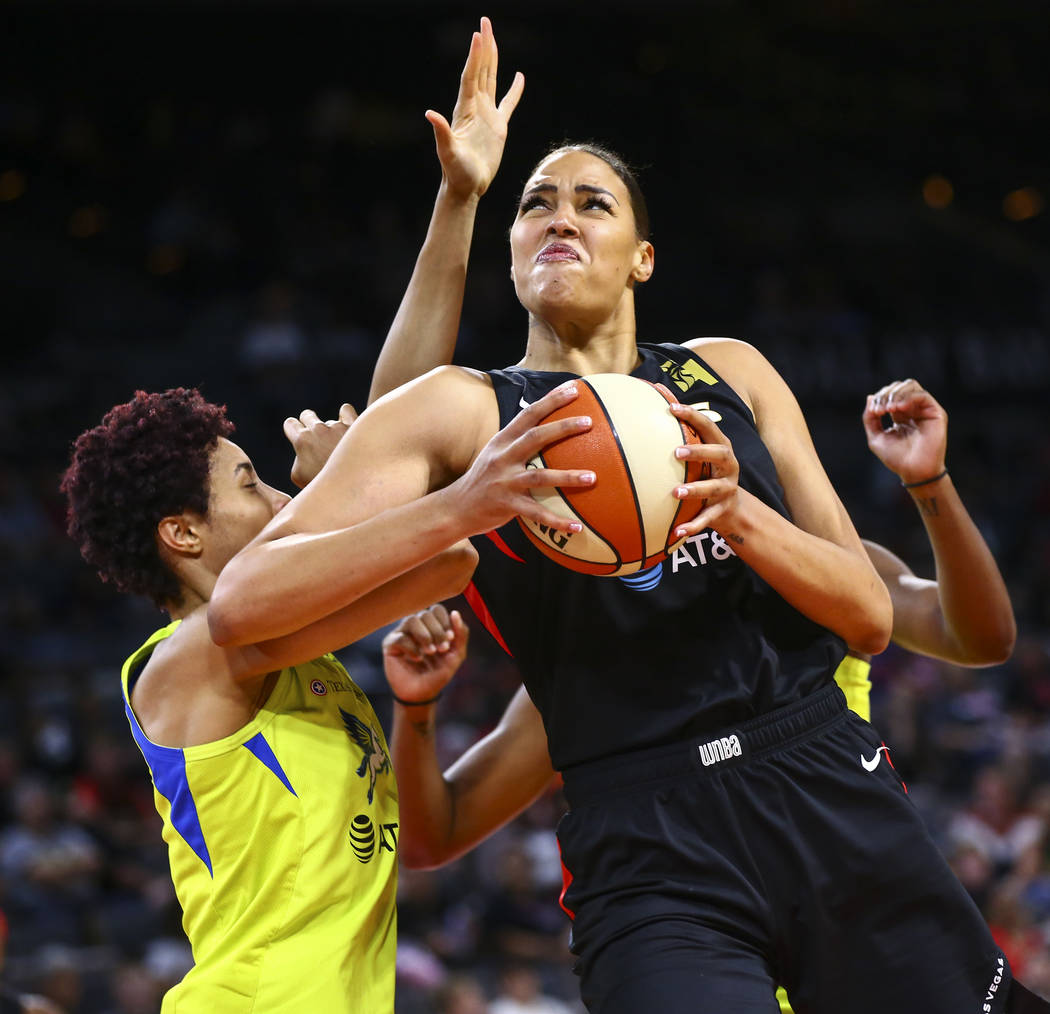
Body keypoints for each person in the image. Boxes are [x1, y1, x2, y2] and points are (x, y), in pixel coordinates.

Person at [209, 19, 1043, 1014]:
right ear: (510, 251)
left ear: (642, 256)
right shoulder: (473, 412)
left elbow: (869, 617)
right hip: (647, 840)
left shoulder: (728, 373)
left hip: (822, 778)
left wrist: (732, 510)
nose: (558, 218)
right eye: (535, 205)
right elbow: (246, 602)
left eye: (591, 203)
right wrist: (463, 195)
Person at [59, 384, 584, 1013]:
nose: (281, 500)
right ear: (183, 533)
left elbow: (443, 560)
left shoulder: (297, 658)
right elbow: (449, 552)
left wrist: (443, 276)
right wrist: (344, 482)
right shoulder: (191, 661)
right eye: (252, 485)